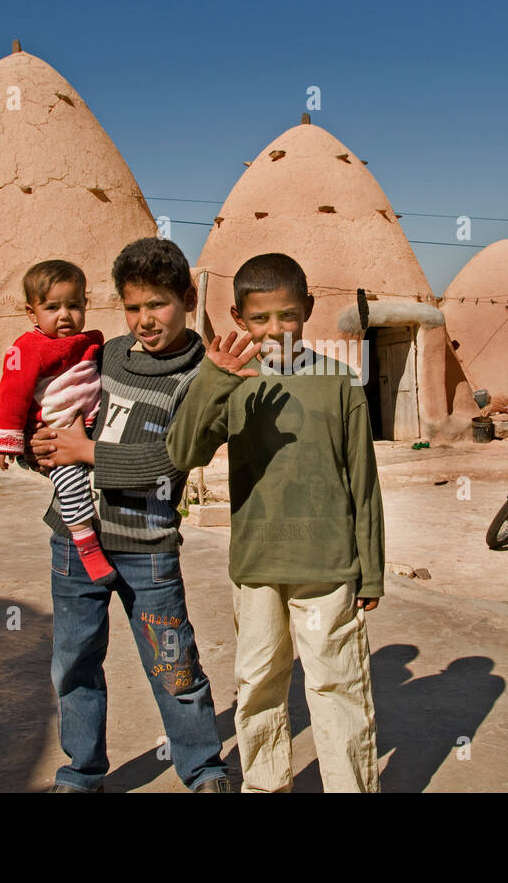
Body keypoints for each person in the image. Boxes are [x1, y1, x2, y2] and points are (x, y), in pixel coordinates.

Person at [165, 252, 384, 793]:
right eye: (260, 319)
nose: (276, 330)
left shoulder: (340, 383)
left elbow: (363, 480)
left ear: (308, 309)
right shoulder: (234, 382)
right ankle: (265, 785)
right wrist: (213, 378)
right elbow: (182, 451)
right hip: (257, 565)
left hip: (329, 567)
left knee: (337, 687)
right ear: (238, 318)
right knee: (258, 684)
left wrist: (370, 570)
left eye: (288, 316)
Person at [29, 238, 230, 793]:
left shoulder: (203, 374)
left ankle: (204, 768)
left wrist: (87, 452)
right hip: (75, 539)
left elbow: (174, 458)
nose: (145, 320)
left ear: (188, 298)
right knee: (75, 663)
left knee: (174, 665)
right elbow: (65, 416)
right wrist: (38, 446)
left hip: (149, 548)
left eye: (158, 304)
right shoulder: (106, 354)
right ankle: (81, 772)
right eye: (133, 307)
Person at [0, 259, 113, 584]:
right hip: (58, 432)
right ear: (32, 313)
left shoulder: (92, 341)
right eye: (52, 307)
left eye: (74, 306)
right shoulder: (28, 348)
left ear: (85, 305)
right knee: (71, 482)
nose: (65, 315)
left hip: (91, 425)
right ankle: (86, 544)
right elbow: (13, 393)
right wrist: (8, 440)